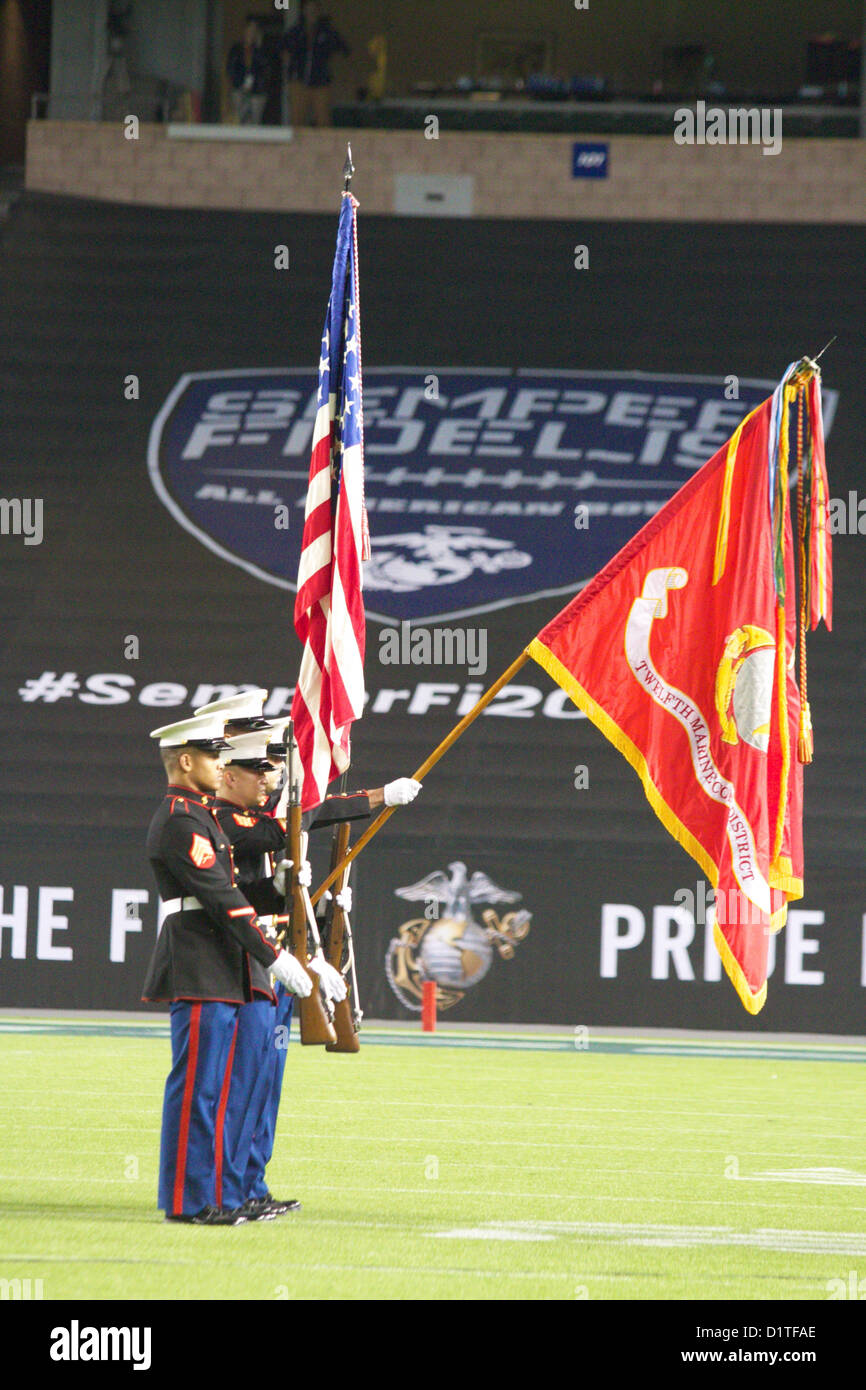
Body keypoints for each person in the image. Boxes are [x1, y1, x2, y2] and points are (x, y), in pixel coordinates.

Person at [141, 712, 313, 1226]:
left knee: (216, 1090)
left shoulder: (200, 815)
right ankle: (188, 1202)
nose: (223, 763)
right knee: (198, 1088)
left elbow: (236, 892)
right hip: (197, 961)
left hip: (219, 962)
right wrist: (275, 955)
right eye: (214, 755)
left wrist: (277, 890)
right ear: (186, 761)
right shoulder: (180, 819)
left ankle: (217, 1195)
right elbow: (219, 899)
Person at [283, 1, 350, 128]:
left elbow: (344, 50)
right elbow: (283, 50)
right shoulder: (295, 32)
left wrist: (329, 67)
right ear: (304, 11)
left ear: (319, 11)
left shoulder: (328, 32)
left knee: (323, 120)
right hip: (299, 81)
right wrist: (292, 68)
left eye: (314, 10)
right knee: (296, 120)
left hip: (321, 83)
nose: (311, 13)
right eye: (308, 9)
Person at [227, 18, 268, 126]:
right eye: (249, 30)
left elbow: (264, 70)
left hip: (257, 90)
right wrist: (241, 83)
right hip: (239, 88)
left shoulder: (261, 50)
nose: (251, 33)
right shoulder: (236, 49)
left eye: (254, 31)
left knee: (255, 121)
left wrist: (259, 48)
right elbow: (231, 69)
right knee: (239, 119)